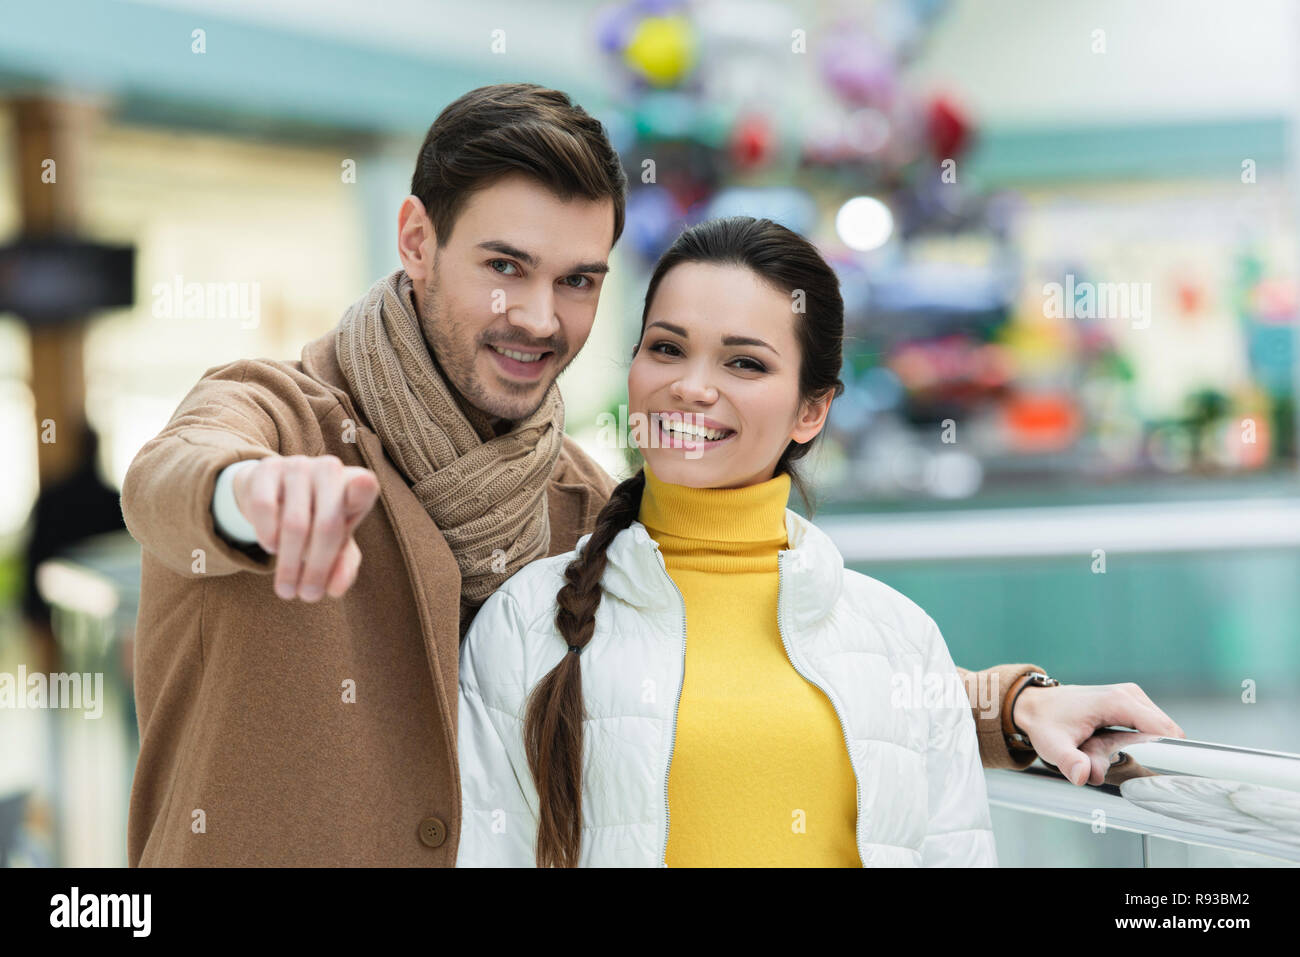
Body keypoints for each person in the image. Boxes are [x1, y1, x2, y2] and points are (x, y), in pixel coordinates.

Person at [121, 82, 1183, 867]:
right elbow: (174, 478)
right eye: (504, 267)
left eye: (578, 281)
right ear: (414, 240)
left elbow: (743, 659)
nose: (540, 319)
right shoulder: (279, 416)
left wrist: (1005, 707)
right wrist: (249, 499)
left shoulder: (572, 509)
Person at [456, 216, 999, 866]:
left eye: (744, 361)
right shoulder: (522, 624)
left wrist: (1024, 701)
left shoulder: (905, 640)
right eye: (666, 348)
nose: (691, 386)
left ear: (812, 410)